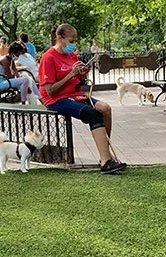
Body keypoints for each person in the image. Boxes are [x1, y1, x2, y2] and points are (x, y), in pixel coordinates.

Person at [39, 23, 127, 174]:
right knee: (92, 114)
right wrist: (71, 75)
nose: (73, 45)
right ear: (60, 37)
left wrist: (83, 73)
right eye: (71, 41)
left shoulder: (72, 55)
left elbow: (77, 80)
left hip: (75, 95)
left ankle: (105, 154)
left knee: (105, 109)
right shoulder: (48, 58)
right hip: (56, 99)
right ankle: (106, 161)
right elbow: (50, 90)